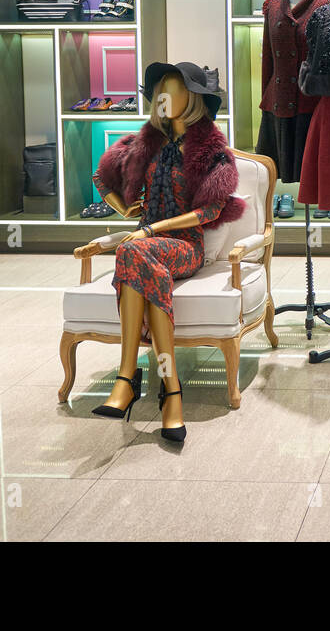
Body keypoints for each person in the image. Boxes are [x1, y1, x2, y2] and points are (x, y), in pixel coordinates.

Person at [90, 62, 241, 443]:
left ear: (192, 99)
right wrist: (126, 210)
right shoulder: (145, 143)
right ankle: (171, 393)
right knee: (137, 257)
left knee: (134, 252)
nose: (163, 98)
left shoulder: (210, 150)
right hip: (148, 251)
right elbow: (100, 176)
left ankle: (127, 380)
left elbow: (210, 211)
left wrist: (151, 228)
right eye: (159, 91)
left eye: (173, 91)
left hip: (185, 246)